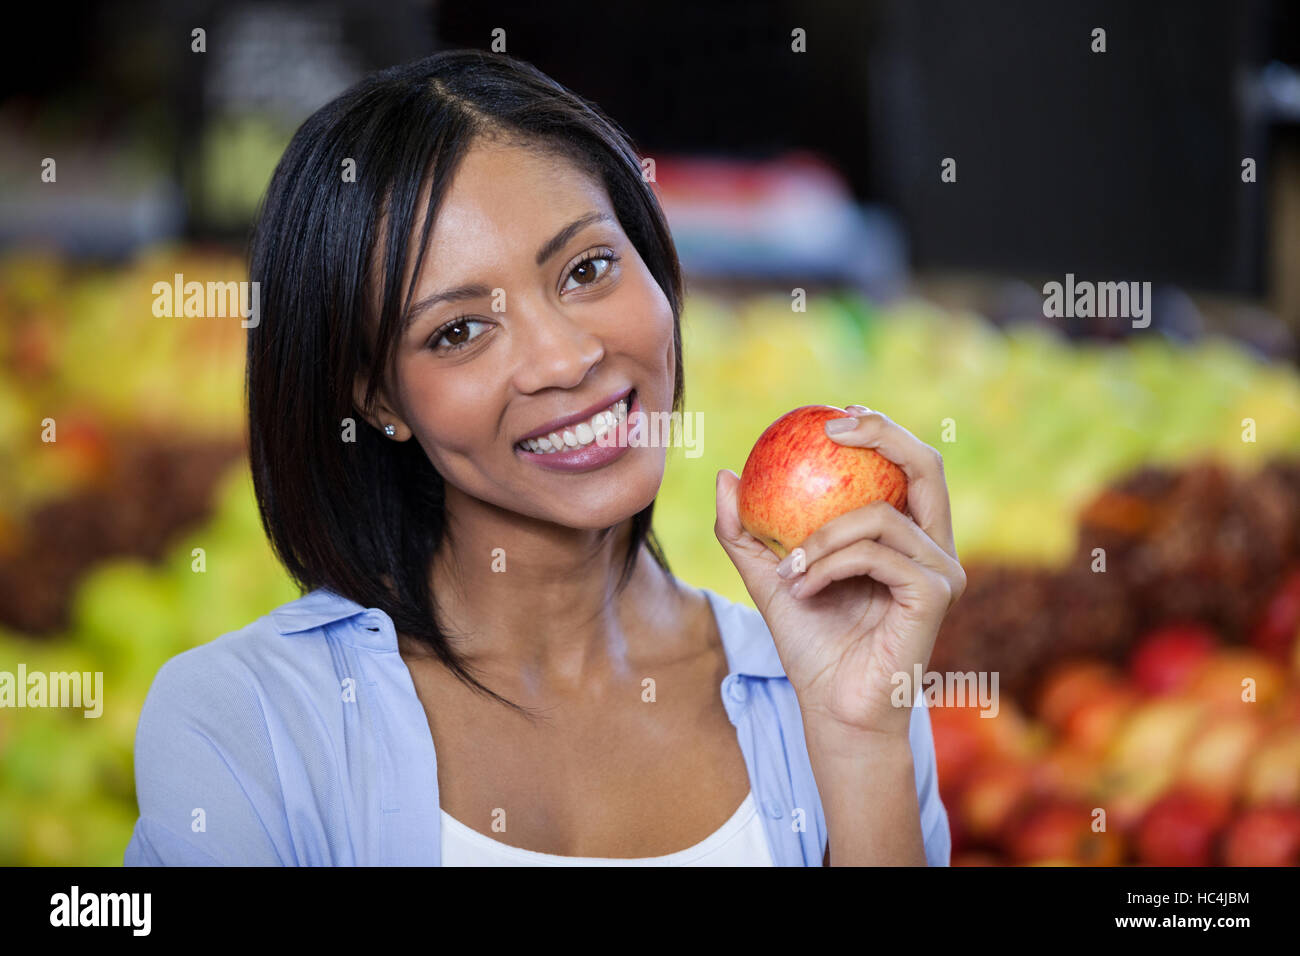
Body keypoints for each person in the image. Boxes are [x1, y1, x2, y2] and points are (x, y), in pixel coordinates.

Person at [124, 49, 966, 866]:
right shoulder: (248, 721)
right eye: (459, 331)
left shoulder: (831, 684)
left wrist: (859, 744)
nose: (565, 359)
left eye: (587, 269)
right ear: (378, 401)